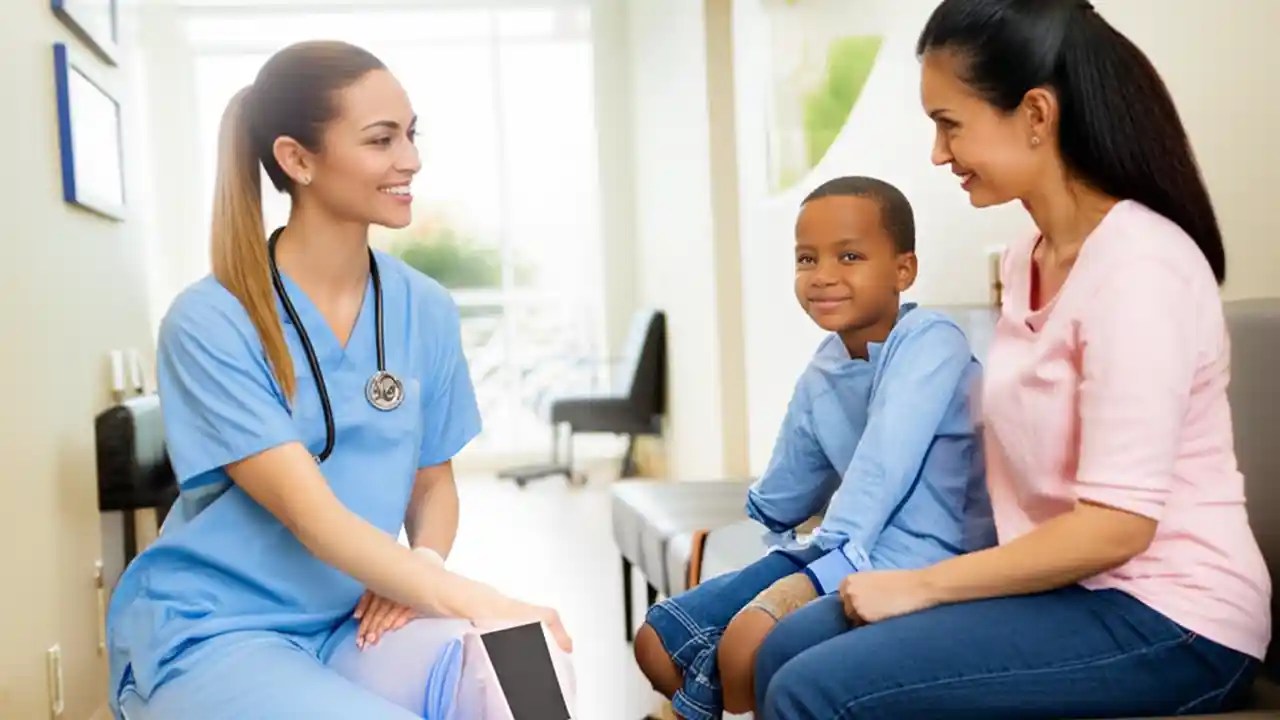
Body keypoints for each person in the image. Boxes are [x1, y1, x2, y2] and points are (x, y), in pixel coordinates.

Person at [751, 1, 1272, 717]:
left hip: (1172, 618)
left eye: (950, 124)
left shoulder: (1140, 267)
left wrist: (925, 585)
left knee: (815, 689)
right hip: (1068, 592)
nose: (938, 153)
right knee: (783, 648)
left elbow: (1119, 525)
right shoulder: (1030, 257)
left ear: (1035, 114)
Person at [105, 40, 571, 720]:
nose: (410, 159)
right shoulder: (211, 322)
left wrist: (425, 572)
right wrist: (483, 599)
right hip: (218, 631)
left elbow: (431, 482)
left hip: (353, 619)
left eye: (411, 135)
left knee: (530, 667)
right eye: (381, 140)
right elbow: (314, 519)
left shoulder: (424, 308)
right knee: (498, 626)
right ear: (297, 159)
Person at [633, 176, 996, 719]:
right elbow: (783, 494)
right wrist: (759, 528)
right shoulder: (824, 368)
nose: (823, 276)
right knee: (655, 643)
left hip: (923, 561)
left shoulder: (932, 341)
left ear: (904, 269)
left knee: (745, 644)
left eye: (849, 256)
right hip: (838, 549)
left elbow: (880, 468)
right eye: (806, 260)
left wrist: (811, 575)